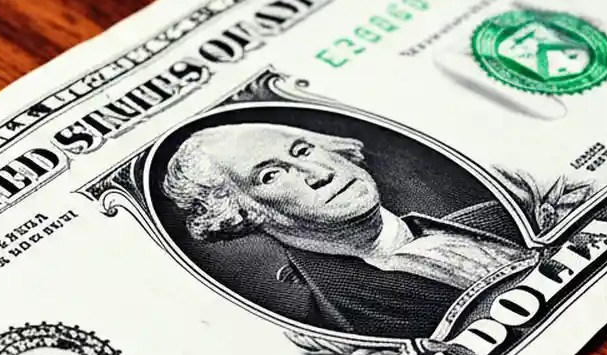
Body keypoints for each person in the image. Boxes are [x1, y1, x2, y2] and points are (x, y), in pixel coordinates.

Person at [161, 122, 532, 338]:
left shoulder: (501, 217)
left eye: (303, 152)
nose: (319, 175)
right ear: (237, 213)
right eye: (271, 175)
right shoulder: (340, 324)